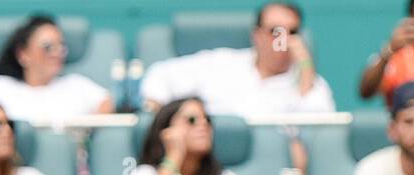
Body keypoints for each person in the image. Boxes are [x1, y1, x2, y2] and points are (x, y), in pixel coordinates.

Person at [140, 2, 335, 116]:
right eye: (275, 32)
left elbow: (319, 133)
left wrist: (306, 68)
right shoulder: (222, 63)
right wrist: (158, 116)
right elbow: (160, 75)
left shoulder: (308, 83)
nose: (283, 40)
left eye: (291, 32)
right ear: (256, 35)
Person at [0, 15, 114, 124]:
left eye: (61, 46)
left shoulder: (75, 84)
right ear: (23, 54)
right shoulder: (1, 89)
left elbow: (105, 101)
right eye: (48, 46)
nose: (57, 53)